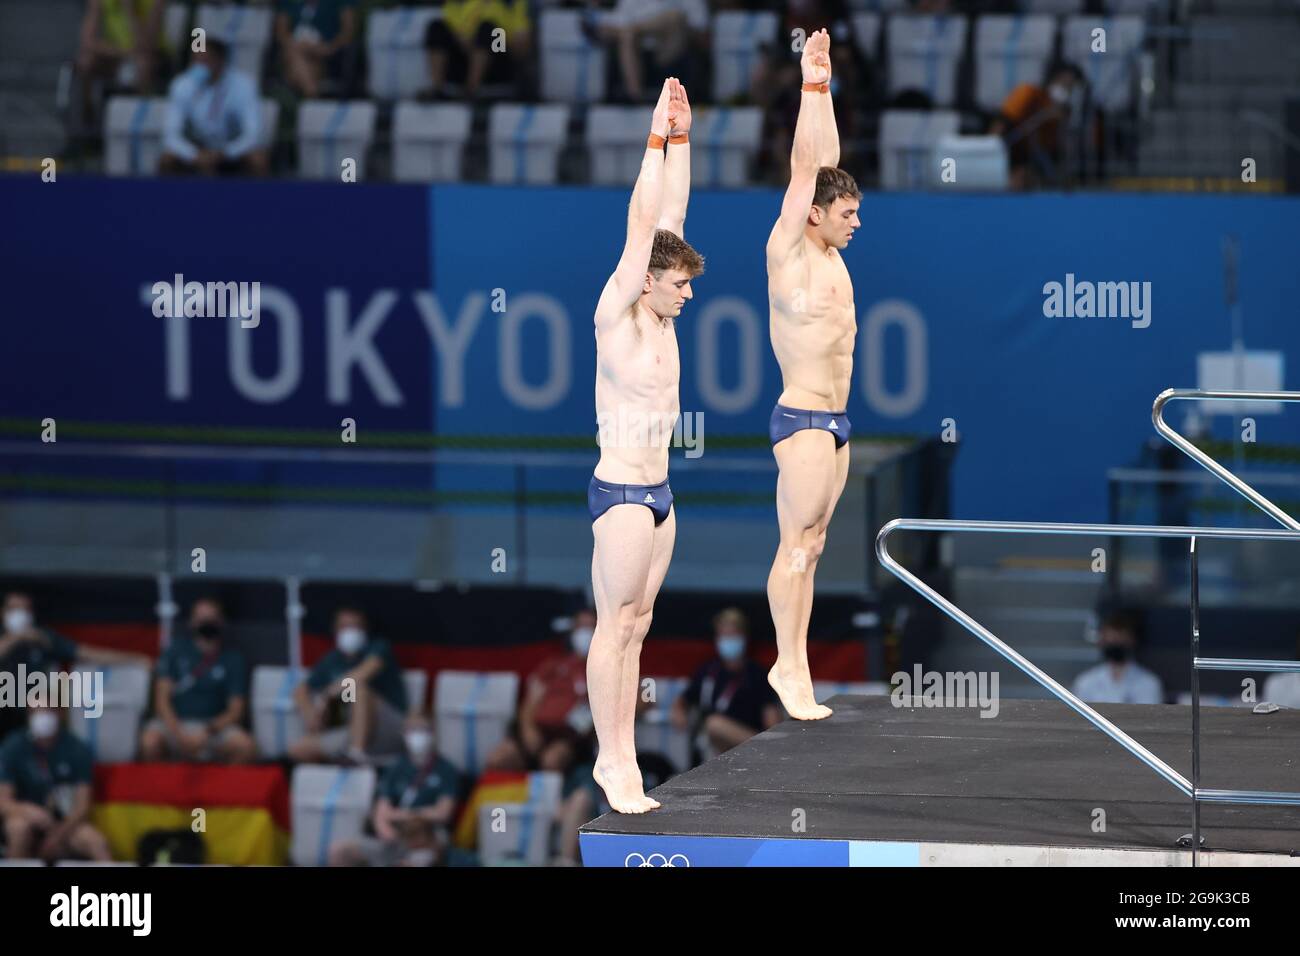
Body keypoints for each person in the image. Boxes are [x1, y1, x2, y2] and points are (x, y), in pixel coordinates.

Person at [587, 77, 702, 814]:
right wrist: (655, 140)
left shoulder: (663, 318)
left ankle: (625, 753)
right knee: (615, 624)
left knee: (640, 626)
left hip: (660, 495)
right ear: (647, 284)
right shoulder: (619, 312)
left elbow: (672, 217)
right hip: (623, 494)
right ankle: (610, 758)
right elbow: (643, 225)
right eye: (679, 284)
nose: (688, 294)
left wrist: (685, 139)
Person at [764, 29, 859, 722]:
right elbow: (807, 170)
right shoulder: (789, 251)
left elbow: (827, 165)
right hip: (801, 420)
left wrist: (826, 83)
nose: (857, 222)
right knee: (795, 546)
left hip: (838, 422)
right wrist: (809, 84)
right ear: (816, 215)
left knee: (816, 546)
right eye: (847, 213)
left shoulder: (831, 256)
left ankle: (794, 663)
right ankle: (787, 665)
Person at [0, 590, 149, 742]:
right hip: (4, 707)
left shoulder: (44, 638)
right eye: (14, 609)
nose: (21, 614)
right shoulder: (8, 638)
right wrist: (17, 637)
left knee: (59, 687)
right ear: (3, 612)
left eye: (25, 609)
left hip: (36, 713)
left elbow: (86, 653)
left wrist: (134, 658)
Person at [328, 716, 460, 866]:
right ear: (404, 733)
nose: (417, 736)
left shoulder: (446, 769)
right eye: (412, 730)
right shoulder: (395, 767)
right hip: (396, 835)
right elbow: (382, 812)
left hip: (428, 834)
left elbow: (442, 813)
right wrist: (387, 832)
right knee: (339, 851)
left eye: (422, 730)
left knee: (417, 857)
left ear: (433, 733)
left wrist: (405, 815)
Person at [139, 598, 256, 763]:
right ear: (192, 622)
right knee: (150, 742)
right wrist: (179, 734)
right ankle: (160, 787)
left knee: (245, 746)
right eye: (201, 619)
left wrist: (206, 732)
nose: (206, 623)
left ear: (221, 622)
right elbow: (161, 702)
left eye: (211, 619)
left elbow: (235, 711)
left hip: (212, 728)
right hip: (175, 724)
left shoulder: (233, 659)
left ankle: (223, 788)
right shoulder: (175, 650)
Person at [290, 607, 410, 764]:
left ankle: (356, 754)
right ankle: (337, 774)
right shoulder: (332, 659)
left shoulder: (379, 648)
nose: (350, 632)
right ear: (335, 630)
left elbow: (361, 675)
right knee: (298, 749)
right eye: (344, 627)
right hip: (352, 728)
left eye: (355, 626)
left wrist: (327, 696)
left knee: (358, 690)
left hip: (389, 728)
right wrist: (310, 714)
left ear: (365, 629)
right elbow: (300, 690)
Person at [485, 609, 597, 775]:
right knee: (497, 758)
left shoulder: (604, 669)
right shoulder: (553, 665)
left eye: (590, 626)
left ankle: (549, 799)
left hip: (569, 737)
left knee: (552, 760)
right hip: (537, 730)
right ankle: (508, 799)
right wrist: (528, 729)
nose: (584, 633)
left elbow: (640, 697)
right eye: (580, 626)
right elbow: (531, 700)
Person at [0, 705, 112, 862]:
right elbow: (4, 802)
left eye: (48, 710)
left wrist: (58, 835)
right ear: (28, 714)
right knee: (18, 828)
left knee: (97, 843)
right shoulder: (13, 746)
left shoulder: (77, 748)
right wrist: (28, 811)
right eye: (36, 711)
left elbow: (82, 806)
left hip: (64, 823)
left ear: (61, 713)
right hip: (27, 819)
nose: (42, 715)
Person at [672, 608, 782, 759]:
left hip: (753, 744)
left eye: (732, 635)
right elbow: (684, 698)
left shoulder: (758, 674)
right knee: (711, 727)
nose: (727, 640)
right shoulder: (708, 671)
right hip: (714, 749)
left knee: (714, 724)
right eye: (723, 635)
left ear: (744, 637)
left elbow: (772, 720)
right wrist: (678, 710)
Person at [159, 38, 268, 177]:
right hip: (197, 147)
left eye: (205, 60)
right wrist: (193, 154)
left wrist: (227, 153)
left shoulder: (243, 85)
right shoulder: (183, 84)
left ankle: (256, 198)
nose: (198, 66)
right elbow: (170, 134)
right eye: (195, 61)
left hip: (230, 147)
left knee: (257, 160)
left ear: (220, 61)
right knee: (167, 160)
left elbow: (253, 134)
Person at [988, 61, 1085, 190]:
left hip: (1034, 158)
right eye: (1065, 85)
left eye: (1071, 88)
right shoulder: (1028, 93)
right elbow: (1001, 125)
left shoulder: (1064, 113)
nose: (1068, 90)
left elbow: (1055, 146)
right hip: (1009, 150)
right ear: (1052, 79)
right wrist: (989, 155)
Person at [76, 0, 170, 127]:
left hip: (153, 54)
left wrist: (129, 9)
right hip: (119, 55)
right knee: (85, 61)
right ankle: (86, 123)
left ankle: (138, 123)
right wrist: (122, 52)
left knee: (143, 64)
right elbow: (88, 41)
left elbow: (146, 44)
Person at [423, 0, 534, 101]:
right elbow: (453, 27)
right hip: (465, 58)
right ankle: (437, 89)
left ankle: (471, 90)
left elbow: (522, 47)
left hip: (499, 60)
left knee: (488, 29)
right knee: (436, 27)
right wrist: (468, 41)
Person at [1072, 611, 1164, 705]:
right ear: (1102, 642)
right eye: (1111, 639)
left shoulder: (1149, 683)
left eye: (1120, 638)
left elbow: (1151, 716)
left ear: (1132, 640)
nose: (1115, 643)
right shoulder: (1086, 682)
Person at [275, 0, 359, 98]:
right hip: (293, 51)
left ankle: (304, 98)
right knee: (294, 55)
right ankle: (312, 94)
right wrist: (300, 46)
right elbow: (281, 32)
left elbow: (348, 31)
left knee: (295, 70)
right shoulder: (289, 3)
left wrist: (329, 48)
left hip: (325, 56)